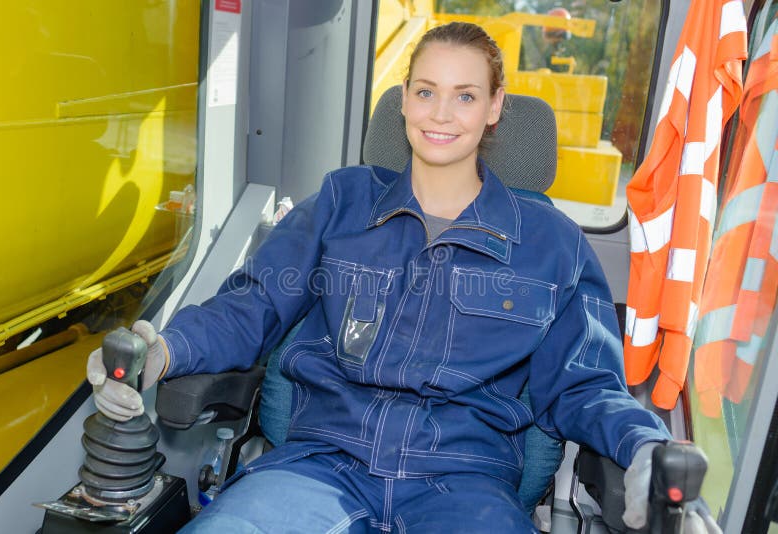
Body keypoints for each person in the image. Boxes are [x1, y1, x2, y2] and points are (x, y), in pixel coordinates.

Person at [87, 22, 719, 533]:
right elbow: (252, 307)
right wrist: (163, 349)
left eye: (465, 95)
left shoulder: (552, 244)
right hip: (319, 466)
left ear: (495, 107)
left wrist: (642, 451)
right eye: (425, 91)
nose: (440, 113)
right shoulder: (342, 201)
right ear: (405, 100)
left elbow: (585, 387)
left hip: (464, 487)